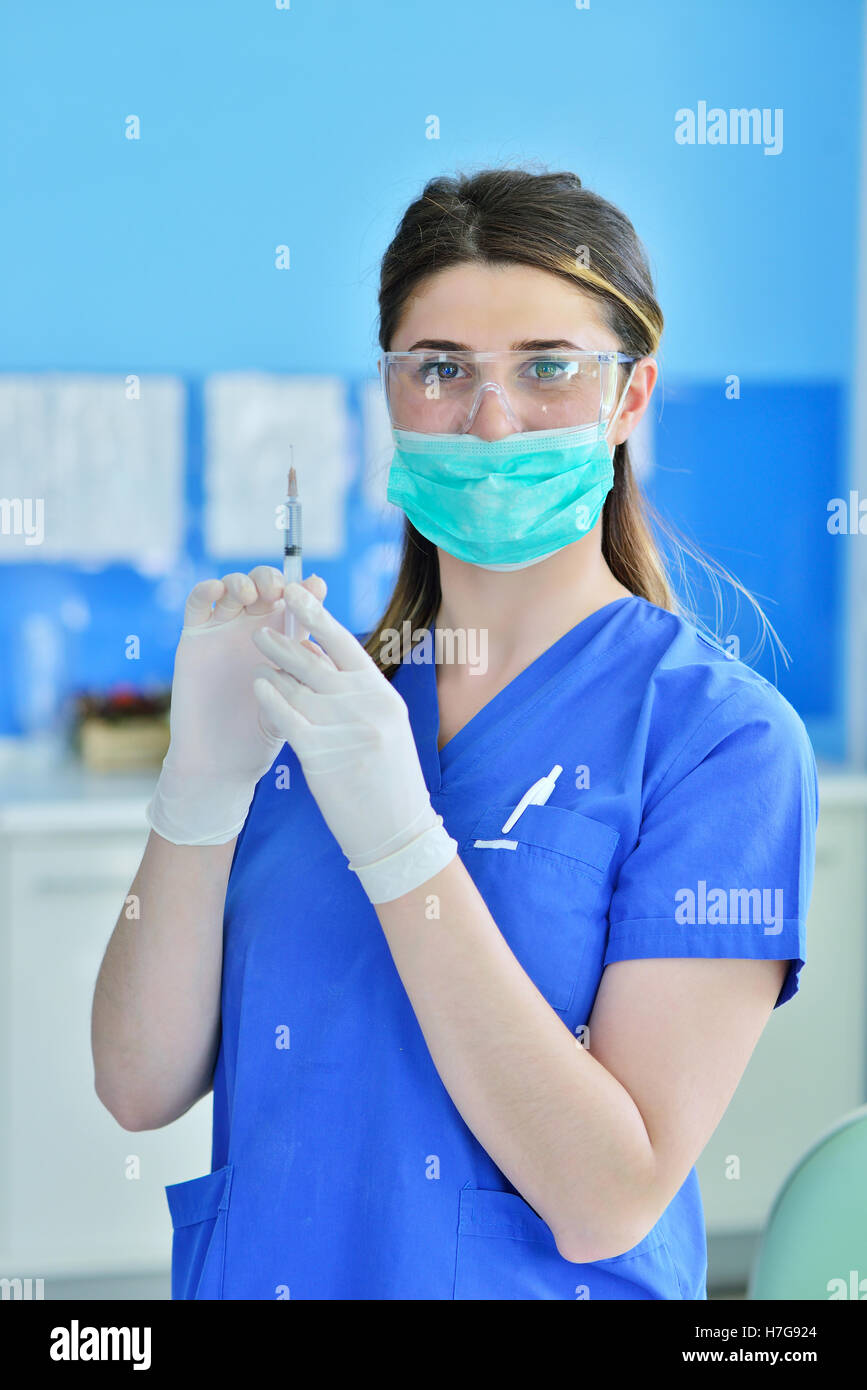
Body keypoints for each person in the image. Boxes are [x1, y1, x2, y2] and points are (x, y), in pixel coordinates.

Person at [92, 168, 818, 1300]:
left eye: (548, 368)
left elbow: (607, 1198)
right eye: (441, 369)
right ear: (389, 393)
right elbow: (137, 1083)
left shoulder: (720, 744)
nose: (490, 420)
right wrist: (196, 789)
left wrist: (402, 845)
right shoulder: (311, 707)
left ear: (631, 399)